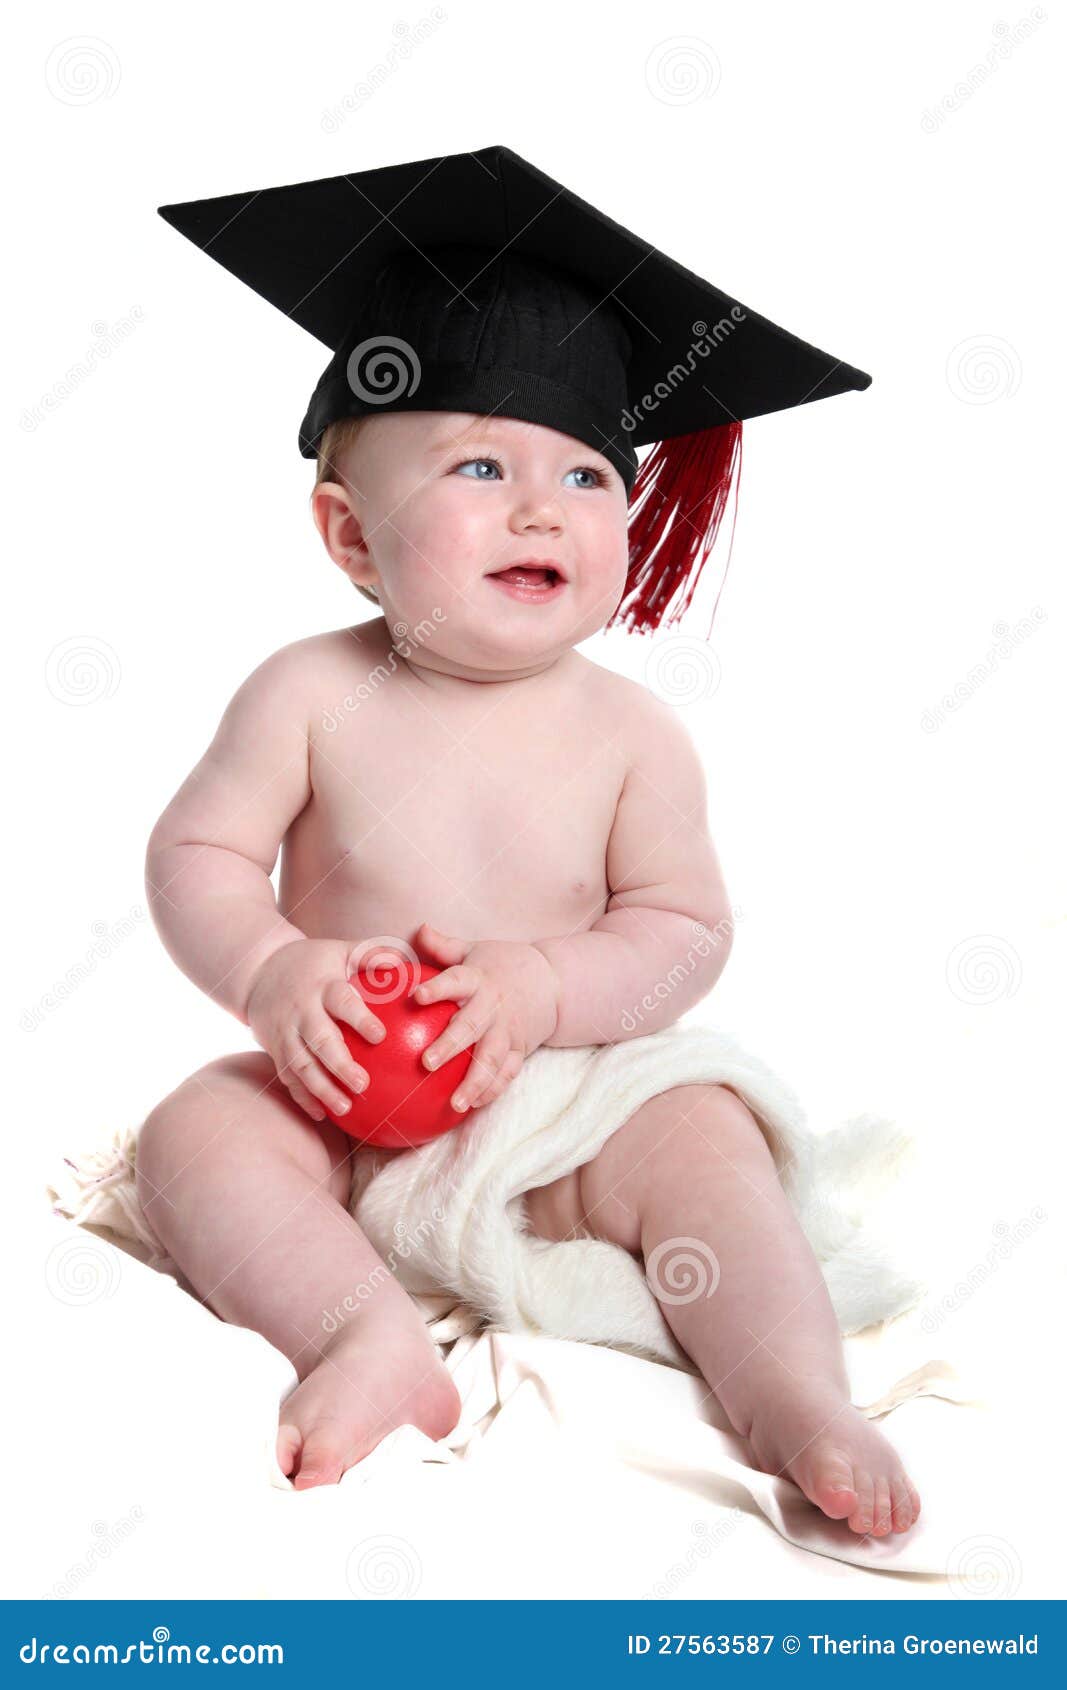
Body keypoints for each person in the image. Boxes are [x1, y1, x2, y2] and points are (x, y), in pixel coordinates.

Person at [132, 145, 920, 1532]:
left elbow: (684, 936)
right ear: (352, 537)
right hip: (339, 1099)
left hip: (568, 1104)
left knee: (704, 1139)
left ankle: (795, 1390)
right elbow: (195, 856)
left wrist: (545, 989)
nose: (541, 505)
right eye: (481, 463)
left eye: (588, 475)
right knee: (197, 1133)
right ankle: (358, 1333)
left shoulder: (630, 736)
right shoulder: (309, 694)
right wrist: (269, 974)